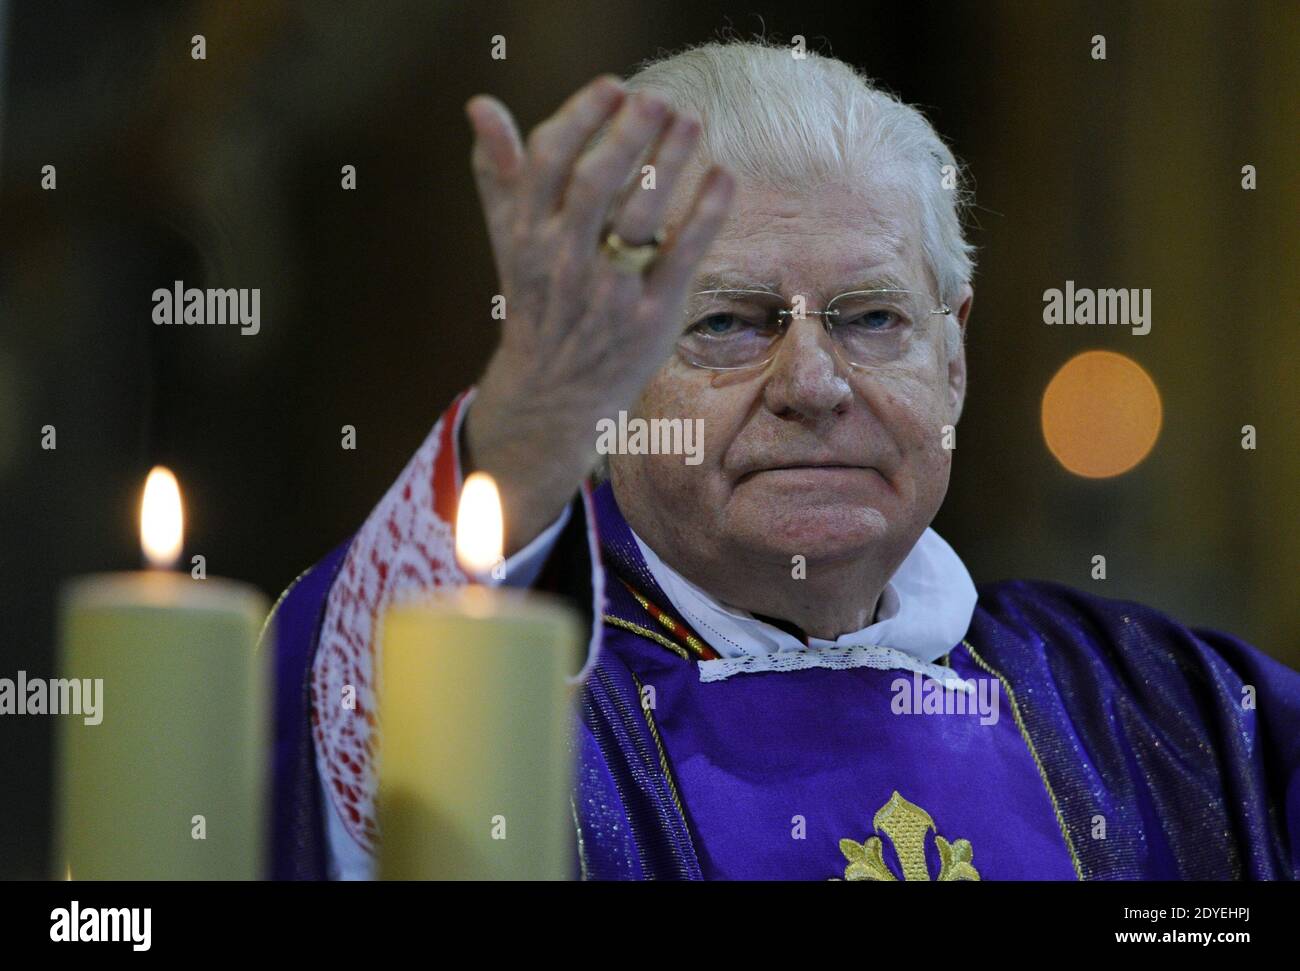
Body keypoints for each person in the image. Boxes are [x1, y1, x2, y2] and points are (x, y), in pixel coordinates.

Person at [265, 40, 1300, 880]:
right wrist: (530, 415)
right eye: (727, 321)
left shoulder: (1159, 716)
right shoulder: (494, 696)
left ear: (954, 356)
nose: (813, 381)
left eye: (872, 317)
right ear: (612, 372)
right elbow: (320, 778)